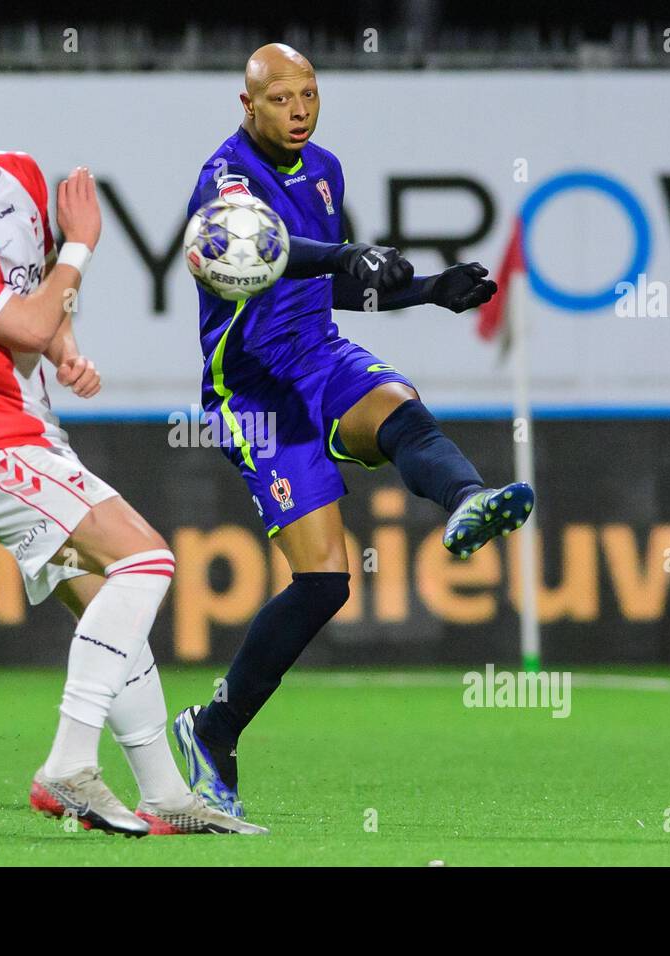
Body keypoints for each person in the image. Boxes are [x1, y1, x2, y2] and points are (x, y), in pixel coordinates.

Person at [0, 58, 265, 835]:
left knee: (111, 613)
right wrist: (82, 245)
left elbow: (39, 300)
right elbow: (25, 316)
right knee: (146, 560)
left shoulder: (15, 175)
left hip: (29, 433)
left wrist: (66, 349)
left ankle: (162, 796)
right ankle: (66, 765)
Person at [174, 44, 535, 817]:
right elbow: (255, 248)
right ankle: (213, 729)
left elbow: (336, 279)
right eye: (282, 99)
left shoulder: (326, 168)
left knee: (398, 404)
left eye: (309, 94)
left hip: (320, 354)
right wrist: (345, 251)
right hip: (256, 389)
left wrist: (433, 288)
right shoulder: (226, 177)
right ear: (248, 106)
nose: (299, 110)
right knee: (326, 582)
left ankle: (468, 499)